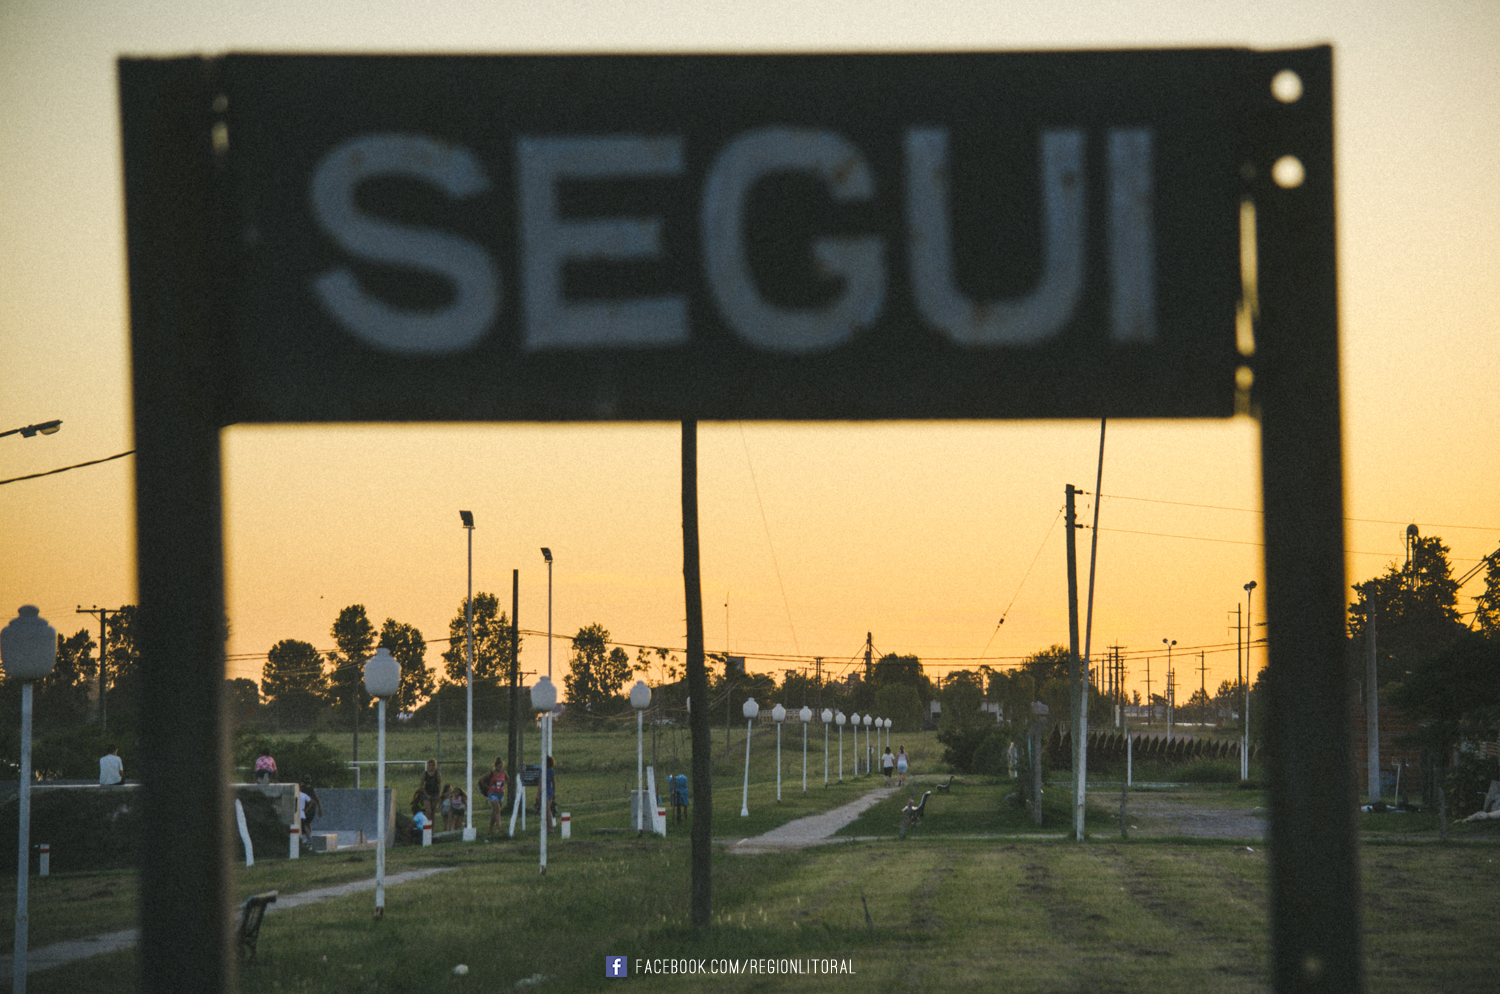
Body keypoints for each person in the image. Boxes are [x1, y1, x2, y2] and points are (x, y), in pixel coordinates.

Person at [479, 757, 507, 836]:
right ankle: (499, 827)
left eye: (501, 766)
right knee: (497, 809)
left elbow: (507, 779)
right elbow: (481, 780)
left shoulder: (503, 773)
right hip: (492, 793)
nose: (499, 768)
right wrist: (487, 787)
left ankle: (490, 829)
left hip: (500, 793)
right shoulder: (491, 773)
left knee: (495, 812)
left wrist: (503, 784)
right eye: (498, 766)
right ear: (495, 766)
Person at [297, 781, 321, 846]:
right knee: (307, 824)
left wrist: (306, 810)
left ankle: (308, 839)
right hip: (310, 810)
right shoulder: (310, 790)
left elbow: (313, 801)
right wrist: (319, 809)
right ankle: (309, 838)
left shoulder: (302, 792)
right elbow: (315, 800)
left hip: (305, 811)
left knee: (305, 825)